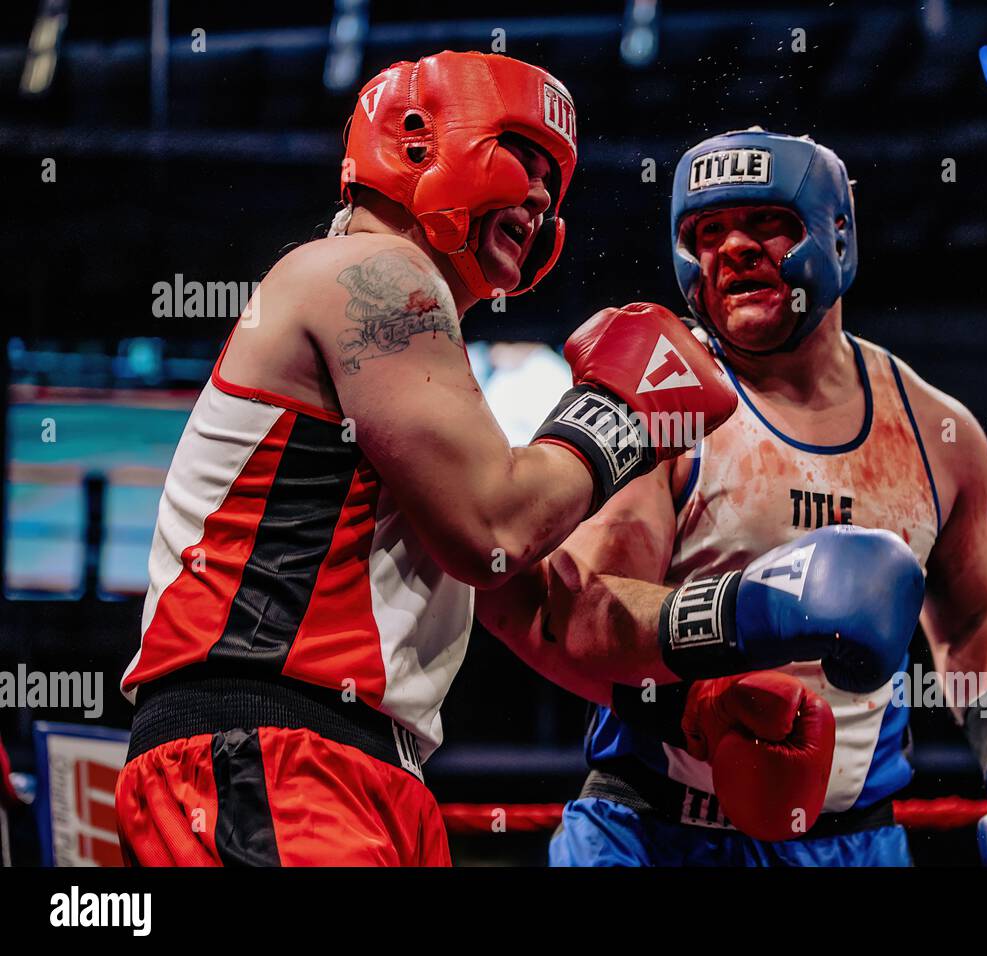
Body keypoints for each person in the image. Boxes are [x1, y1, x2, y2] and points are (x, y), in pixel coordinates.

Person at [112, 50, 737, 866]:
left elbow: (547, 613)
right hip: (269, 757)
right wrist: (622, 409)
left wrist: (713, 674)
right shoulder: (368, 273)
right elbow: (495, 525)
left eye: (557, 178)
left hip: (347, 769)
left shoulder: (417, 382)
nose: (544, 194)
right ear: (418, 141)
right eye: (525, 155)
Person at [478, 129, 987, 866]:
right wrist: (752, 609)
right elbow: (586, 612)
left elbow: (971, 619)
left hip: (850, 842)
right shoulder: (660, 406)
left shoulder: (937, 433)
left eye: (767, 222)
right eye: (708, 231)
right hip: (655, 829)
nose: (734, 247)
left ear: (836, 235)